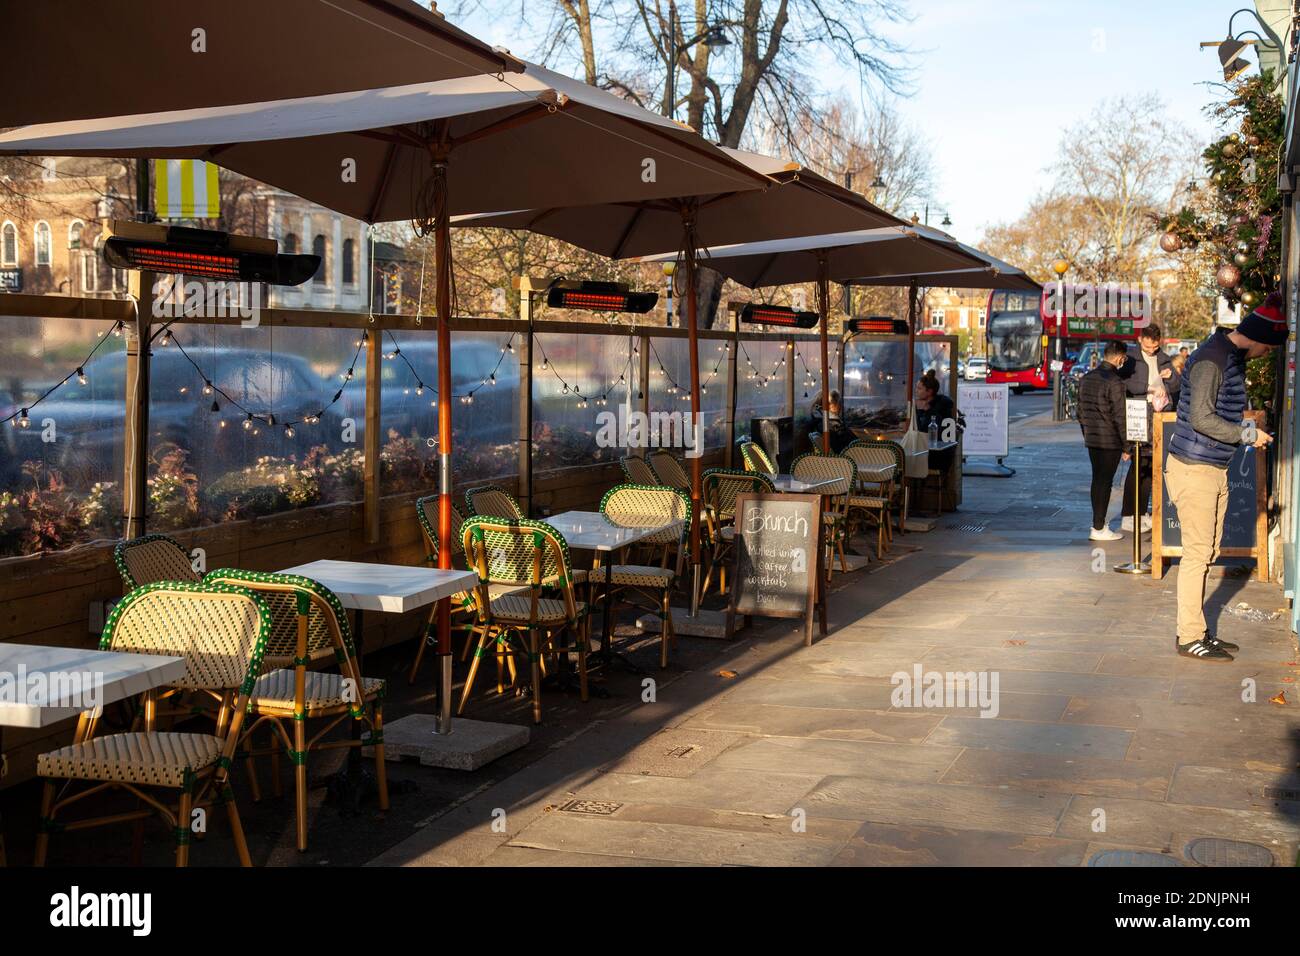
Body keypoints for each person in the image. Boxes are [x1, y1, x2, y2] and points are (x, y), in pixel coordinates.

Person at [1166, 292, 1288, 662]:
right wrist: (1248, 433)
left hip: (1211, 466)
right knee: (1198, 555)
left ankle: (1198, 629)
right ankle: (1189, 637)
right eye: (1268, 349)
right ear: (1258, 339)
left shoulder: (1228, 356)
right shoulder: (1212, 360)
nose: (1266, 355)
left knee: (1208, 552)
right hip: (1195, 468)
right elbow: (1202, 418)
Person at [1117, 323, 1181, 533]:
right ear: (1140, 340)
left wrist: (1170, 379)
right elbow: (1124, 384)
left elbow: (1177, 387)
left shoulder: (1164, 358)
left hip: (1160, 417)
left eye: (1154, 347)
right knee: (1138, 466)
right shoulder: (1130, 359)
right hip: (1138, 416)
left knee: (1153, 467)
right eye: (1147, 347)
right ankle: (1128, 515)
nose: (1151, 350)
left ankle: (1143, 513)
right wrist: (1149, 388)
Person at [1077, 341, 1128, 541]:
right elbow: (1120, 417)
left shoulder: (1086, 378)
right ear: (1119, 358)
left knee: (1097, 480)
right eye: (1123, 358)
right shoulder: (1115, 382)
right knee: (1105, 482)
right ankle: (1099, 528)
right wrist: (1127, 445)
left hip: (1092, 438)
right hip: (1110, 441)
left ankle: (1097, 525)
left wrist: (1087, 432)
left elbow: (1080, 412)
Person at [914, 369, 964, 437]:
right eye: (916, 388)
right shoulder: (919, 404)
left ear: (929, 391)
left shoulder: (943, 406)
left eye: (919, 388)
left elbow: (935, 430)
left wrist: (928, 410)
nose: (916, 391)